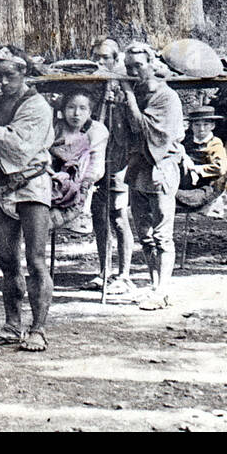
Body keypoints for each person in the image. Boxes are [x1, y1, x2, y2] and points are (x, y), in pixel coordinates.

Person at [0, 46, 55, 351]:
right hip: (3, 186)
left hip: (32, 185)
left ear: (24, 73)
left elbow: (17, 145)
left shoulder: (38, 106)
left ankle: (39, 329)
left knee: (35, 260)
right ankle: (11, 324)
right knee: (7, 261)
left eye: (10, 75)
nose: (3, 82)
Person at [113, 42, 185, 310]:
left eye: (138, 66)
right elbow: (125, 133)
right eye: (128, 67)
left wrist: (129, 97)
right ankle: (154, 285)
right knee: (144, 233)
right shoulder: (135, 94)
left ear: (151, 64)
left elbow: (145, 131)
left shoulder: (166, 97)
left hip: (160, 168)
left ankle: (164, 289)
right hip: (138, 169)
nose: (133, 72)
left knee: (162, 234)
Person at [89, 38, 135, 295]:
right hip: (96, 162)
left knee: (118, 217)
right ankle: (104, 270)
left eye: (106, 57)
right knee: (99, 216)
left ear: (115, 60)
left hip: (118, 161)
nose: (100, 61)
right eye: (97, 56)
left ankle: (124, 274)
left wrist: (116, 102)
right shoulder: (92, 89)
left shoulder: (124, 89)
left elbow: (126, 132)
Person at [49, 91, 108, 225]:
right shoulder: (56, 127)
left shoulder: (96, 130)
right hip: (52, 179)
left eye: (82, 108)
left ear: (89, 111)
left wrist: (83, 183)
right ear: (63, 110)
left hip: (80, 183)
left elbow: (95, 165)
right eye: (71, 107)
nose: (76, 113)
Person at [178, 106, 227, 209]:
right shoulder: (187, 142)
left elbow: (220, 168)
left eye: (205, 125)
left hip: (207, 187)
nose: (201, 129)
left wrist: (196, 169)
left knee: (178, 196)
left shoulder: (215, 144)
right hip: (186, 183)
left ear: (212, 126)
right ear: (192, 126)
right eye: (197, 125)